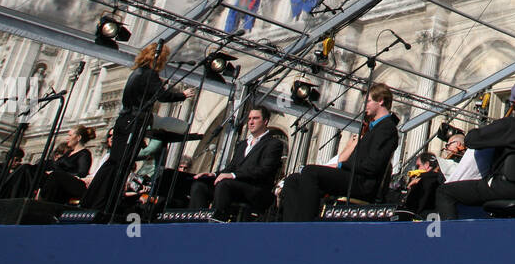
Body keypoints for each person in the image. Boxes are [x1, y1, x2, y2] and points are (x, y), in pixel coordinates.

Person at [84, 42, 194, 216]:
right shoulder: (150, 74)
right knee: (123, 164)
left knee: (114, 161)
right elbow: (162, 96)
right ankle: (106, 203)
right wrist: (183, 95)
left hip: (124, 120)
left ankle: (95, 200)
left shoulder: (137, 73)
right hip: (134, 123)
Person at [282, 83, 398, 221]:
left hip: (362, 183)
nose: (365, 105)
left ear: (381, 101)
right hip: (353, 176)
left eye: (368, 101)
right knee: (292, 180)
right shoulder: (374, 128)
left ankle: (305, 225)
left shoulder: (386, 128)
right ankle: (291, 225)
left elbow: (372, 166)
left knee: (310, 172)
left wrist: (342, 165)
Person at [437, 80, 515, 219]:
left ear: (513, 102)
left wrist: (492, 129)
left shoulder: (510, 124)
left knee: (445, 192)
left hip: (503, 187)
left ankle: (449, 237)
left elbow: (471, 140)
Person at [189, 107, 283, 220]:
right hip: (234, 186)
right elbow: (232, 167)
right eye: (249, 119)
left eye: (255, 118)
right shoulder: (243, 144)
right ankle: (196, 223)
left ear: (265, 121)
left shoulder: (273, 144)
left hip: (255, 189)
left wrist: (234, 175)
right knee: (200, 185)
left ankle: (216, 222)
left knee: (224, 184)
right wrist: (214, 174)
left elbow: (264, 170)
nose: (251, 122)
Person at [33, 125, 96, 203]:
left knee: (55, 176)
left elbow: (82, 173)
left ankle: (42, 203)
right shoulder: (68, 153)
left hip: (70, 182)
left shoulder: (84, 153)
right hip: (55, 177)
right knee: (29, 169)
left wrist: (60, 173)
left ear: (78, 138)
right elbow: (56, 165)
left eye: (70, 135)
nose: (67, 138)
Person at [400, 152, 443, 219]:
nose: (417, 169)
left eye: (418, 166)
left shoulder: (421, 180)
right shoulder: (443, 179)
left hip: (421, 218)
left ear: (427, 165)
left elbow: (412, 206)